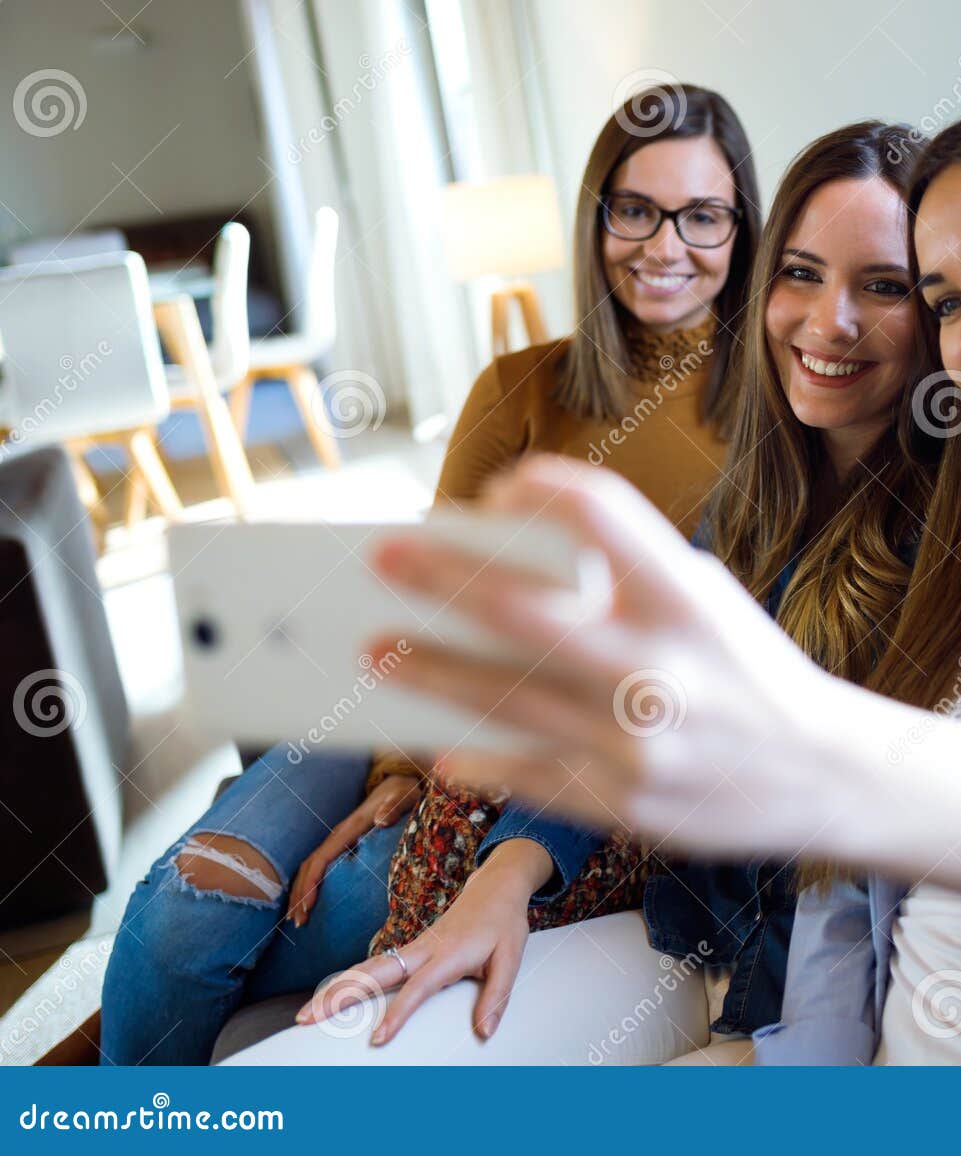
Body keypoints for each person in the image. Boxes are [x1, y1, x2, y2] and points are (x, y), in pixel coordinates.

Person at [293, 85, 961, 1065]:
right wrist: (514, 864)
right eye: (949, 295)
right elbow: (851, 915)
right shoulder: (955, 539)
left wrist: (804, 757)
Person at [99, 83, 761, 1066]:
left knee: (252, 932)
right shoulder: (520, 387)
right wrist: (398, 764)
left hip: (551, 765)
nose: (665, 245)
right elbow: (432, 600)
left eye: (701, 215)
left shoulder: (773, 412)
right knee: (192, 905)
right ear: (598, 219)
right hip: (419, 708)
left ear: (740, 227)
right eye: (635, 210)